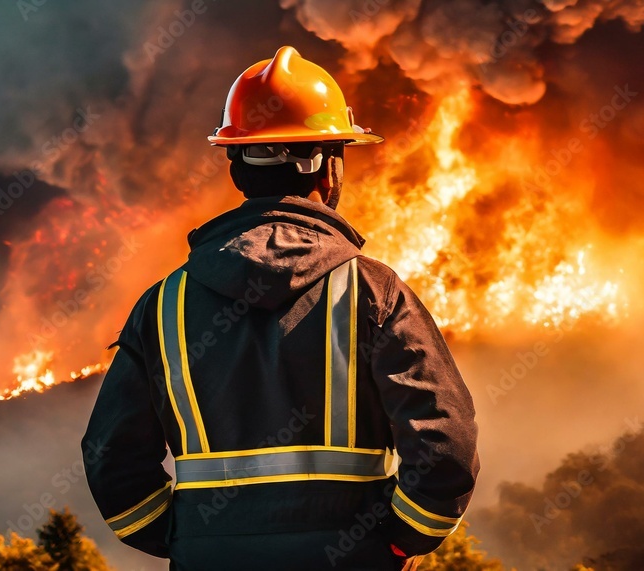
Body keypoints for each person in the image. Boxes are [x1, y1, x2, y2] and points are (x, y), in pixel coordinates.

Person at [82, 46, 480, 571]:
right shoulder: (372, 291)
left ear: (236, 168)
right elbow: (445, 443)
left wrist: (192, 537)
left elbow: (111, 457)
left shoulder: (163, 305)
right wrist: (400, 540)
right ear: (328, 168)